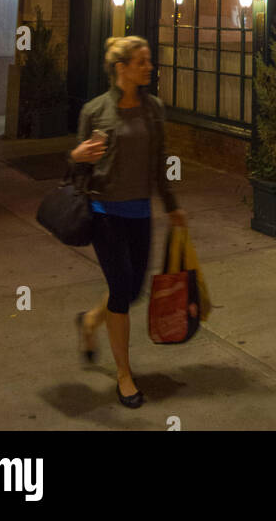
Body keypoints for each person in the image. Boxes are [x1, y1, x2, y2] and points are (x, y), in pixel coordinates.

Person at [70, 35, 187, 408]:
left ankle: (91, 321)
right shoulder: (95, 111)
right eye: (142, 62)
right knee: (121, 291)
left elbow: (160, 162)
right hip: (105, 213)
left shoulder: (153, 109)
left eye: (149, 60)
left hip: (140, 212)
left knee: (133, 290)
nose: (149, 67)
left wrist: (171, 206)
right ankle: (124, 375)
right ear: (121, 68)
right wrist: (76, 156)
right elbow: (77, 173)